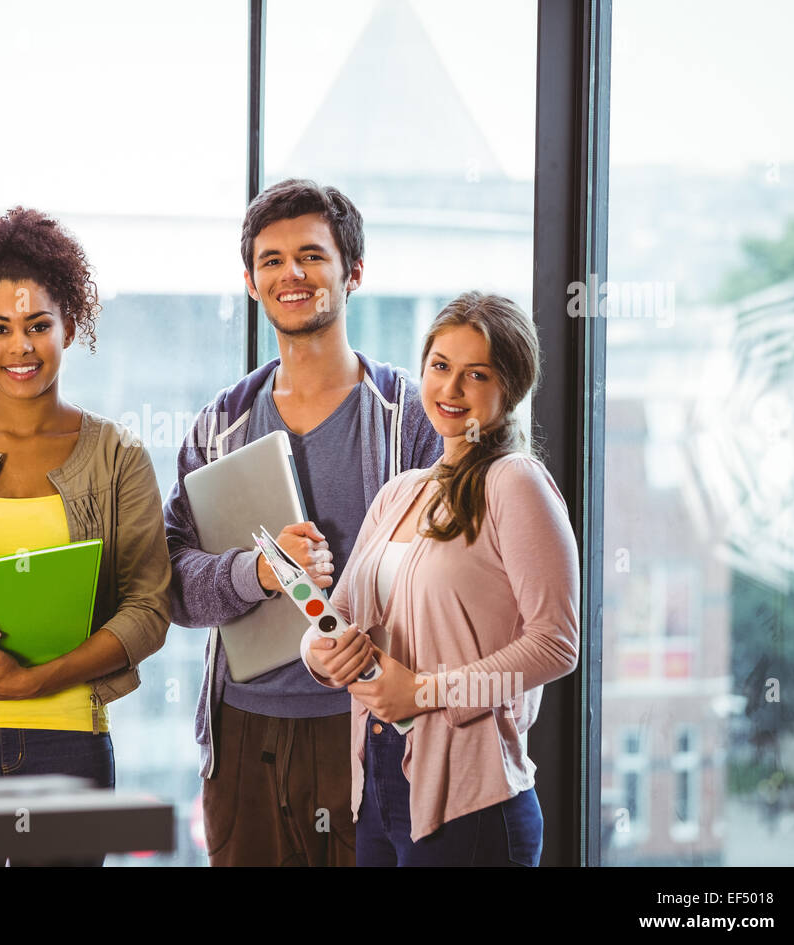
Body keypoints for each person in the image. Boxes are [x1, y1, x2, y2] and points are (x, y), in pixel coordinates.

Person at [162, 178, 443, 866]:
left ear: (353, 272)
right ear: (253, 282)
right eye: (271, 260)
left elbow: (461, 568)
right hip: (246, 735)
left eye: (312, 256)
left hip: (374, 730)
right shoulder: (220, 424)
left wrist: (381, 630)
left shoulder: (410, 415)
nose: (291, 274)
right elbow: (173, 584)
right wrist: (256, 572)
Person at [0, 207, 170, 865]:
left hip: (67, 744)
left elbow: (150, 610)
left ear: (68, 325)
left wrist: (36, 680)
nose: (20, 347)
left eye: (38, 325)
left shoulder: (118, 456)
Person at [301, 291, 580, 866]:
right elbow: (344, 612)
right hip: (378, 783)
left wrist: (425, 691)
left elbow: (556, 644)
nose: (450, 390)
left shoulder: (514, 482)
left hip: (471, 800)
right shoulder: (401, 492)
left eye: (475, 374)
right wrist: (319, 652)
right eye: (440, 366)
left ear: (510, 387)